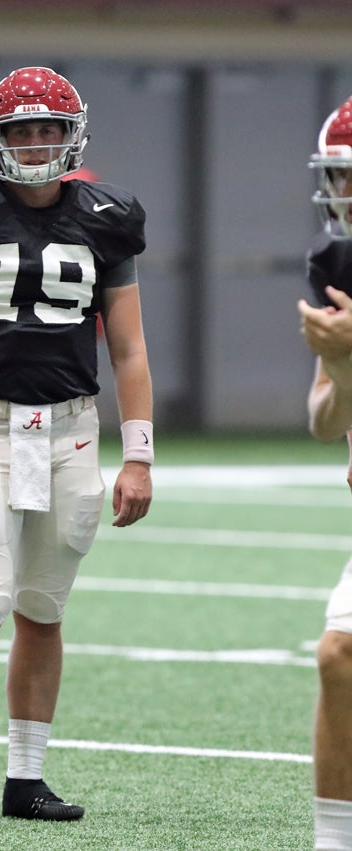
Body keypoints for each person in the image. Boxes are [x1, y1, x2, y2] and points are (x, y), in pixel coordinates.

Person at [0, 66, 153, 827]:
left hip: (71, 429)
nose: (38, 143)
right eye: (23, 130)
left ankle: (26, 777)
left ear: (73, 135)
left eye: (50, 129)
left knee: (43, 609)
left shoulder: (107, 218)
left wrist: (138, 453)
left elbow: (130, 349)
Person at [298, 94, 352, 851]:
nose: (346, 192)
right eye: (343, 175)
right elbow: (322, 419)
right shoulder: (336, 262)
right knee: (339, 654)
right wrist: (341, 362)